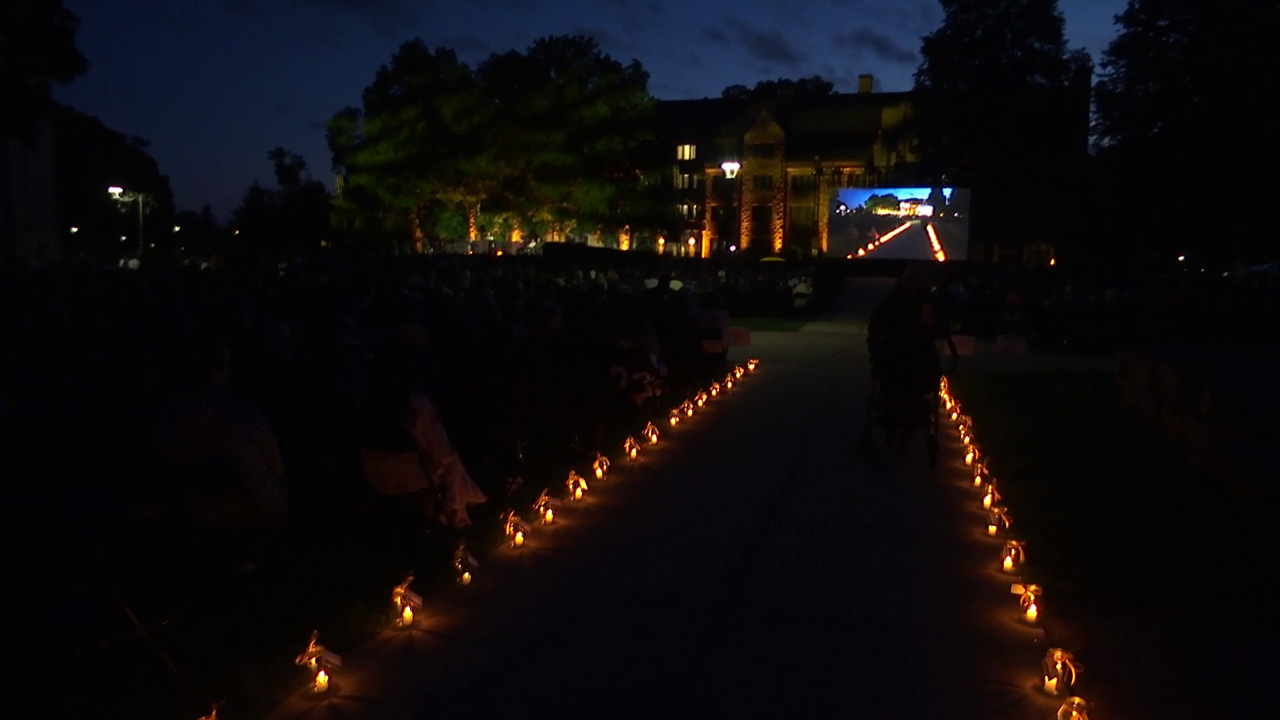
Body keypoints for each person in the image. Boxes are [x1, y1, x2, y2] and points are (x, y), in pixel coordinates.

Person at [867, 264, 956, 451]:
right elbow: (941, 331)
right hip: (912, 360)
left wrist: (876, 352)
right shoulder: (922, 302)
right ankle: (901, 433)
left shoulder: (897, 300)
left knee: (895, 392)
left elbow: (876, 326)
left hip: (898, 359)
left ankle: (894, 431)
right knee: (911, 393)